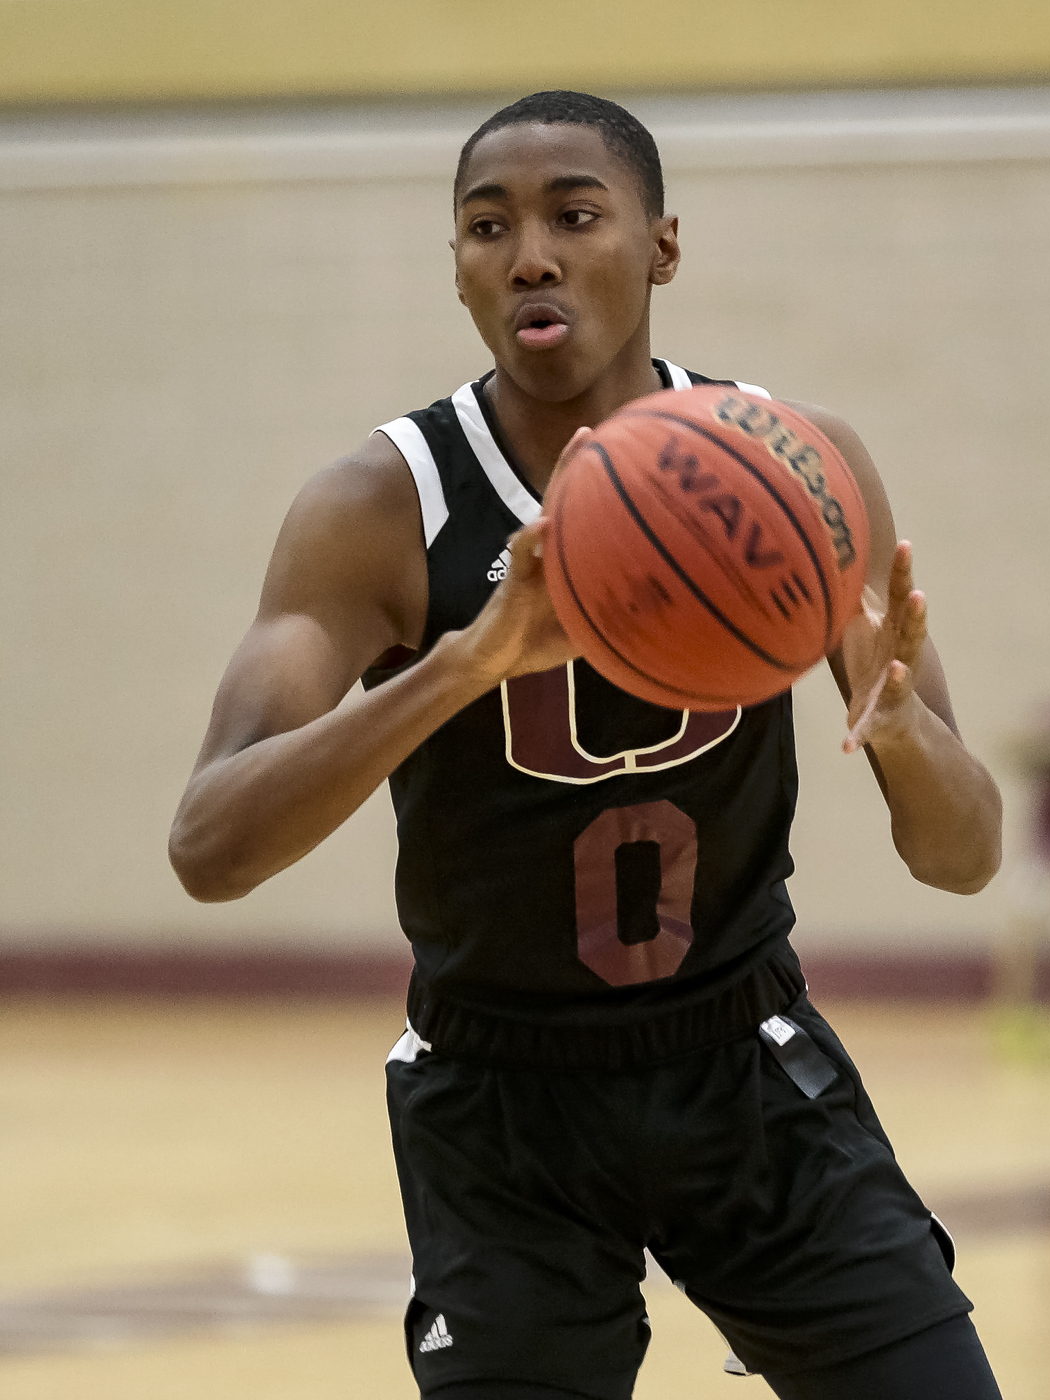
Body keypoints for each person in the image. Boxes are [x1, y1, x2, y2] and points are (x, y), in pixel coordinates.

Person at [170, 91, 1003, 1400]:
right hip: (498, 1096)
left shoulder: (795, 470)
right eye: (487, 226)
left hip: (746, 1065)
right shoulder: (380, 509)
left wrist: (896, 728)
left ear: (662, 246)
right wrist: (465, 664)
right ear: (456, 267)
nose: (530, 255)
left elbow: (964, 858)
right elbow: (208, 848)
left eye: (573, 214)